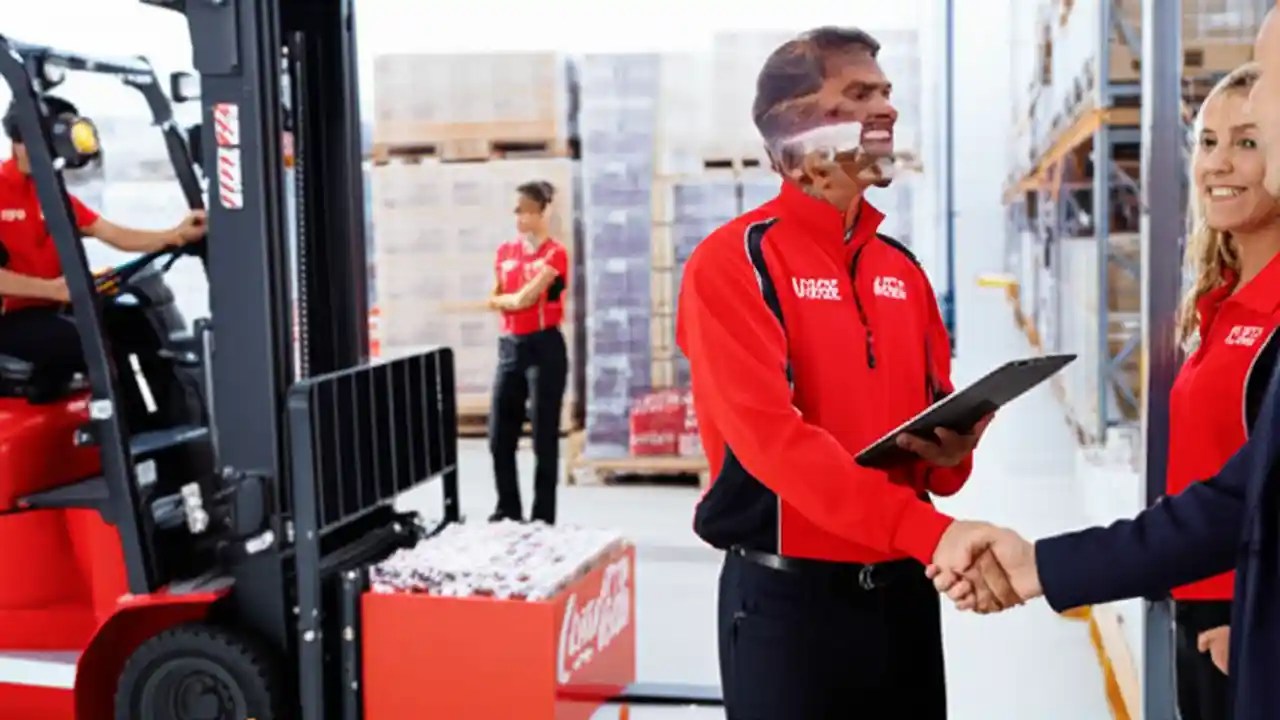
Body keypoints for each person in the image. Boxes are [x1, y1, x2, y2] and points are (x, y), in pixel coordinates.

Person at [928, 14, 1280, 718]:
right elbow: (1231, 492)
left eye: (1250, 137)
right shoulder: (1212, 307)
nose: (1220, 162)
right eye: (1208, 141)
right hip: (1194, 595)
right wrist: (1039, 565)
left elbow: (1245, 503)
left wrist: (1245, 614)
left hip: (1239, 615)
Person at [675, 26, 1010, 720]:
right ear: (796, 126)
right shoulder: (735, 264)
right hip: (789, 611)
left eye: (886, 92)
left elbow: (936, 466)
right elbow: (774, 445)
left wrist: (952, 453)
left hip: (904, 599)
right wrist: (933, 534)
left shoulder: (902, 270)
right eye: (859, 94)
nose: (885, 108)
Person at [0, 96, 206, 372]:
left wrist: (175, 235)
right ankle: (107, 411)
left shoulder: (47, 192)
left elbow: (110, 232)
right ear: (23, 139)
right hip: (11, 319)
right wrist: (53, 290)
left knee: (135, 324)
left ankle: (163, 413)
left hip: (51, 306)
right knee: (90, 343)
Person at [486, 180, 569, 525]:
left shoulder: (555, 255)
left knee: (543, 438)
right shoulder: (505, 252)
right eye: (516, 211)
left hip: (544, 347)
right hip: (510, 346)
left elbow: (523, 299)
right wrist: (505, 300)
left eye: (525, 210)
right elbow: (496, 296)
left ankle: (542, 517)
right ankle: (508, 510)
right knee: (499, 436)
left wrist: (505, 301)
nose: (518, 217)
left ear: (542, 212)